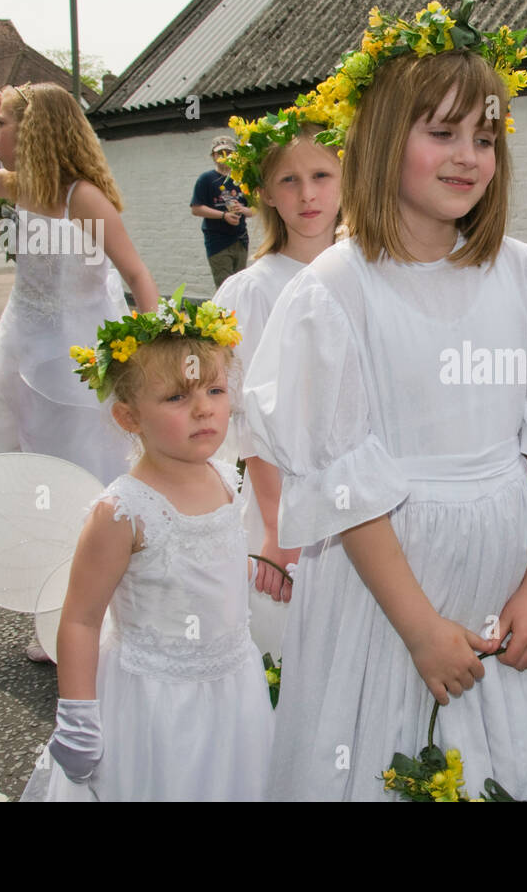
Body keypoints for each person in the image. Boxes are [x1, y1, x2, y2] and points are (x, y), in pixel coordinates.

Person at [244, 2, 527, 801]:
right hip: (390, 596)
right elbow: (344, 481)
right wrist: (422, 630)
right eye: (441, 132)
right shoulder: (336, 289)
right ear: (380, 139)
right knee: (388, 760)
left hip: (514, 582)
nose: (468, 155)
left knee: (519, 764)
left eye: (486, 135)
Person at [22, 293, 274, 800]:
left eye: (216, 389)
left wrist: (251, 570)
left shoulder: (228, 481)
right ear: (129, 418)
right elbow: (81, 618)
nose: (204, 408)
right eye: (177, 398)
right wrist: (77, 712)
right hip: (155, 702)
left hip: (232, 685)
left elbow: (207, 563)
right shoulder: (122, 513)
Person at [0, 83, 159, 487]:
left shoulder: (83, 198)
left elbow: (136, 273)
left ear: (33, 129)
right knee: (19, 451)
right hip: (21, 340)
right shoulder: (22, 186)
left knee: (72, 454)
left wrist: (155, 348)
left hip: (72, 350)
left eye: (2, 125)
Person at [213, 115, 342, 656]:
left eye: (321, 176)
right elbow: (252, 421)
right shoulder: (253, 291)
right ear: (264, 191)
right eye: (289, 180)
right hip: (285, 505)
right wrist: (276, 529)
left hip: (368, 500)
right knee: (290, 652)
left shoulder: (370, 274)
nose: (307, 195)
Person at [190, 135, 255, 287]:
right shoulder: (206, 179)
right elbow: (196, 208)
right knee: (225, 286)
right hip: (217, 241)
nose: (224, 156)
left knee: (240, 285)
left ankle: (239, 311)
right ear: (213, 155)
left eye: (228, 152)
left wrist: (243, 209)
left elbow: (256, 210)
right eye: (220, 153)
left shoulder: (241, 178)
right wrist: (223, 215)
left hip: (240, 239)